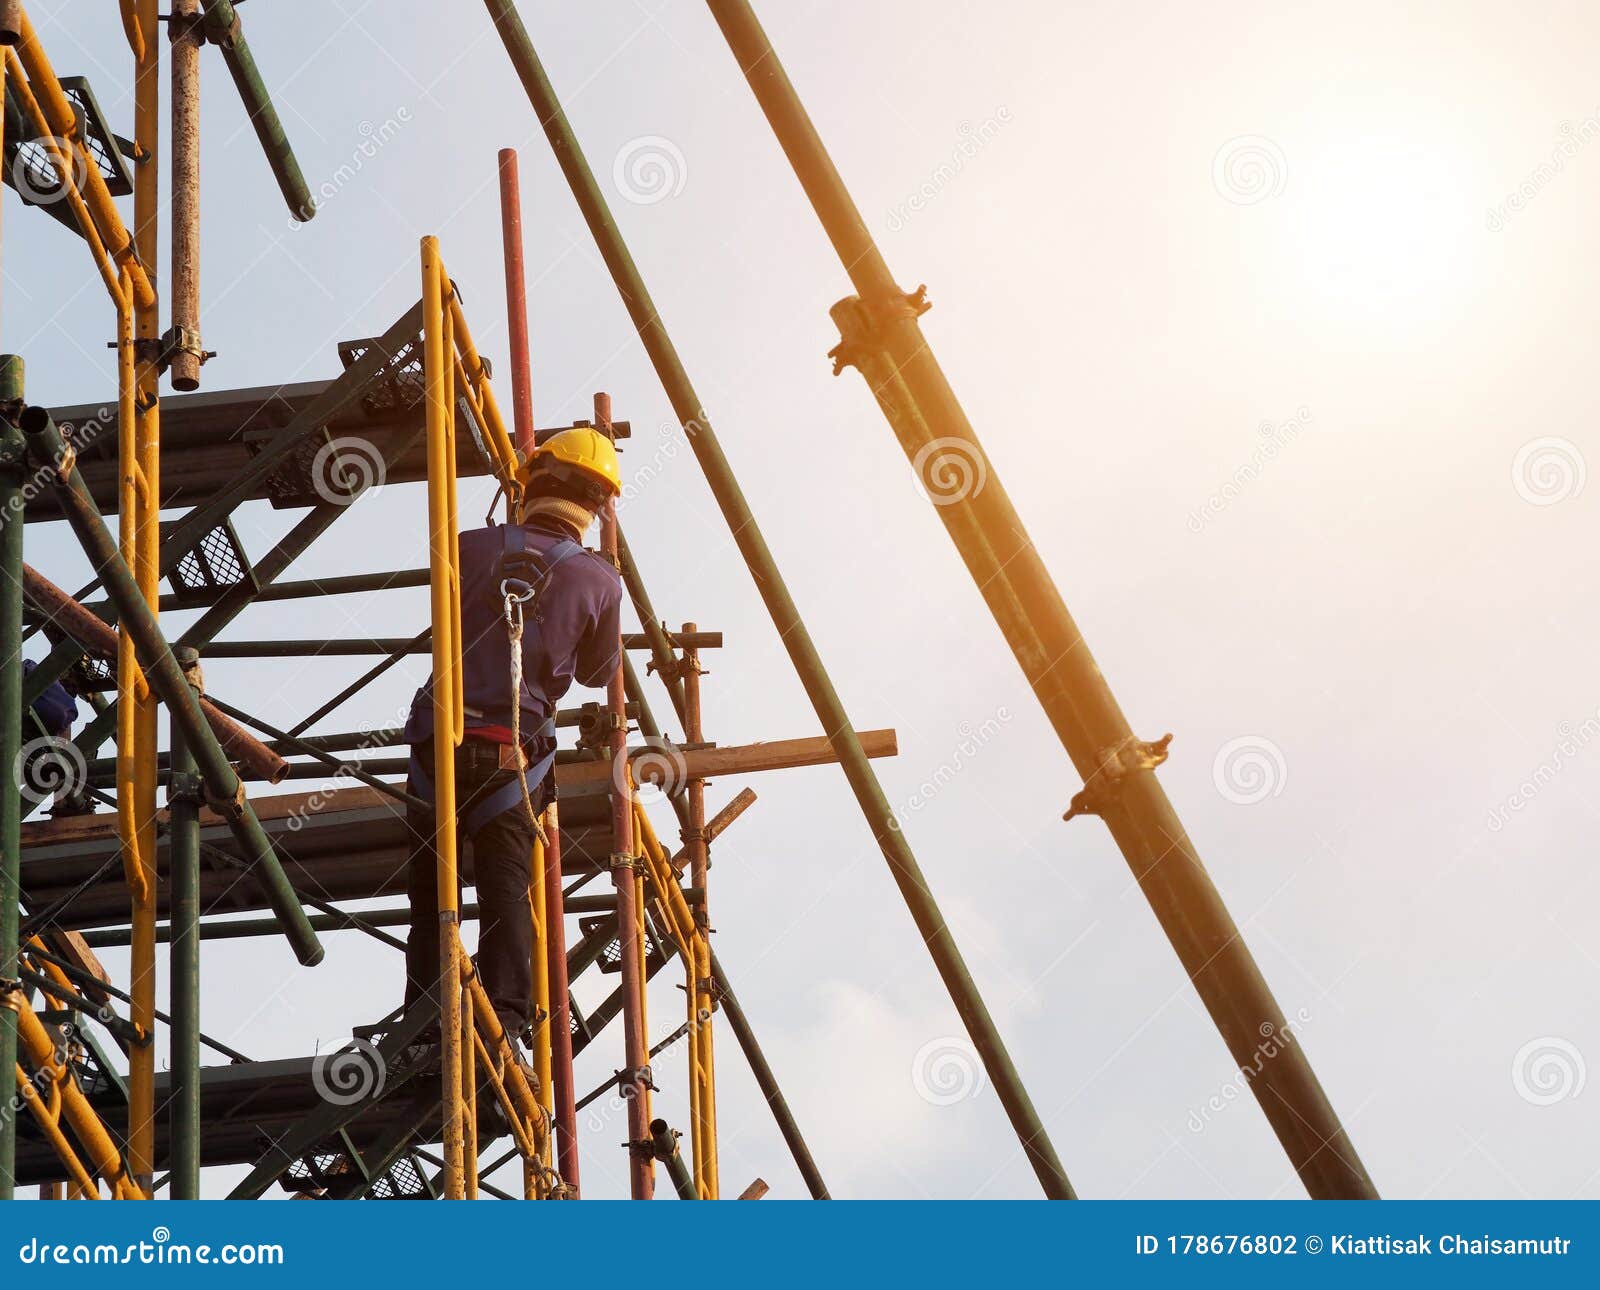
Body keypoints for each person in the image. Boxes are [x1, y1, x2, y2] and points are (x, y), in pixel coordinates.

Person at [402, 426, 623, 1055]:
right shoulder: (599, 581)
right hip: (509, 752)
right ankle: (505, 1023)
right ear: (598, 506)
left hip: (433, 745)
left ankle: (424, 1026)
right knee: (505, 896)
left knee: (430, 898)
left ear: (531, 483)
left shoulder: (466, 546)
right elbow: (594, 674)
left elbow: (449, 611)